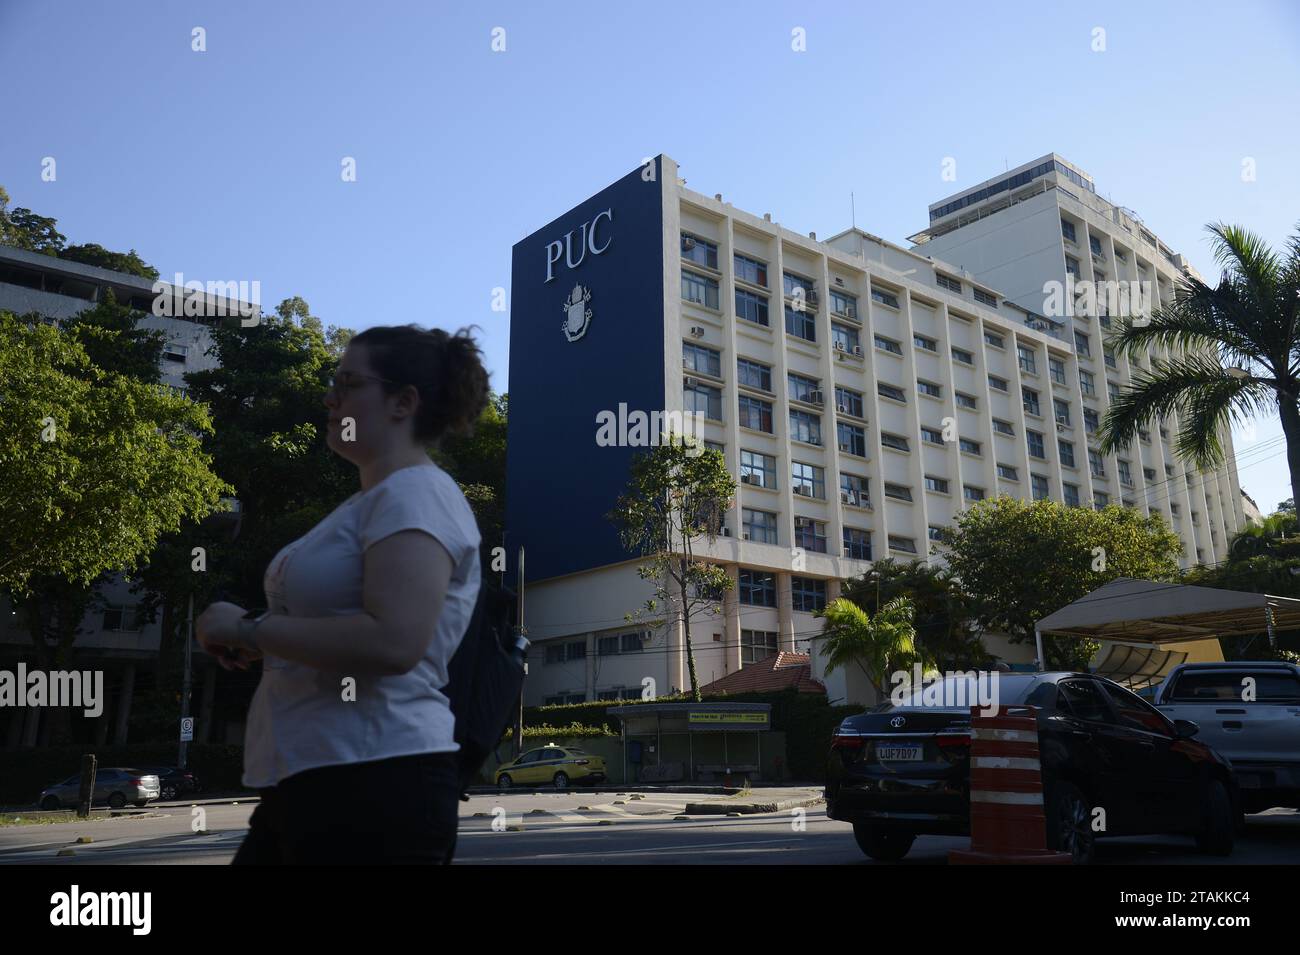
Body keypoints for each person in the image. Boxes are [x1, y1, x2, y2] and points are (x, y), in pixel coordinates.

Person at [196, 323, 488, 864]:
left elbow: (393, 642)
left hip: (374, 784)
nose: (331, 397)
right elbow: (345, 629)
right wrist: (260, 638)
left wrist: (246, 628)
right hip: (314, 782)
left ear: (403, 401)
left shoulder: (415, 493)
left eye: (349, 383)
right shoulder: (368, 502)